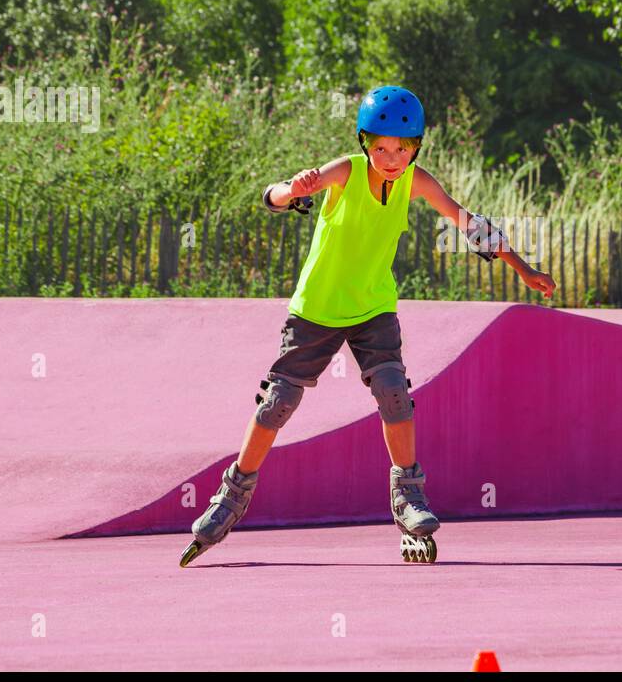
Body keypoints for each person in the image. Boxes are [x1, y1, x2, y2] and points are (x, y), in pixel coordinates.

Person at [181, 85, 556, 566]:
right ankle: (231, 496)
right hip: (316, 308)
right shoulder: (347, 170)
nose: (391, 157)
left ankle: (409, 495)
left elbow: (470, 223)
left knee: (393, 391)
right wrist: (291, 191)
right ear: (364, 142)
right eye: (380, 146)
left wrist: (522, 269)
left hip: (374, 309)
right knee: (278, 402)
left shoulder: (417, 181)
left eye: (401, 149)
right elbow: (274, 196)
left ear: (416, 147)